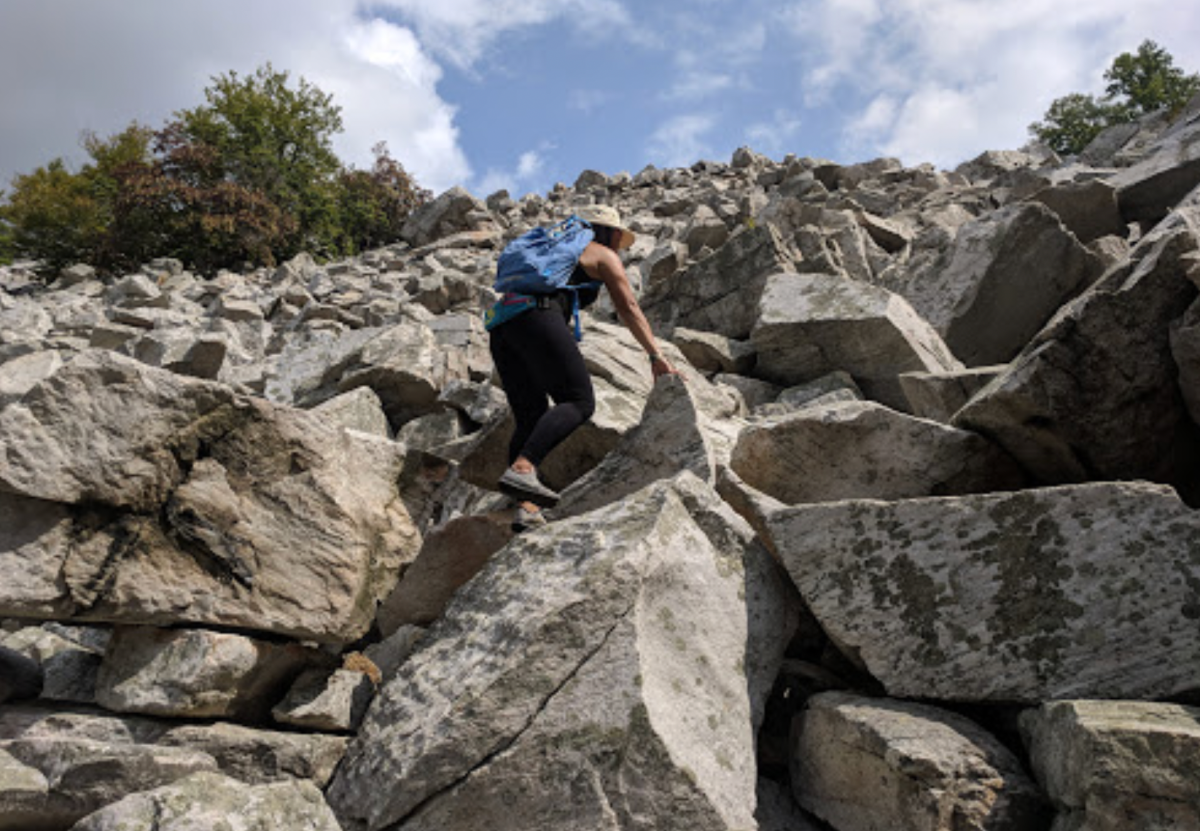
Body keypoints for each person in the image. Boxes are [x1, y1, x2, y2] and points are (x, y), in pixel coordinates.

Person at [488, 204, 678, 531]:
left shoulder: (555, 245)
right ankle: (524, 467)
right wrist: (655, 354)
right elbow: (628, 307)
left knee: (531, 415)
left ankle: (526, 508)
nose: (620, 246)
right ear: (612, 233)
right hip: (537, 317)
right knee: (578, 401)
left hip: (502, 325)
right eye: (619, 238)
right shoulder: (603, 254)